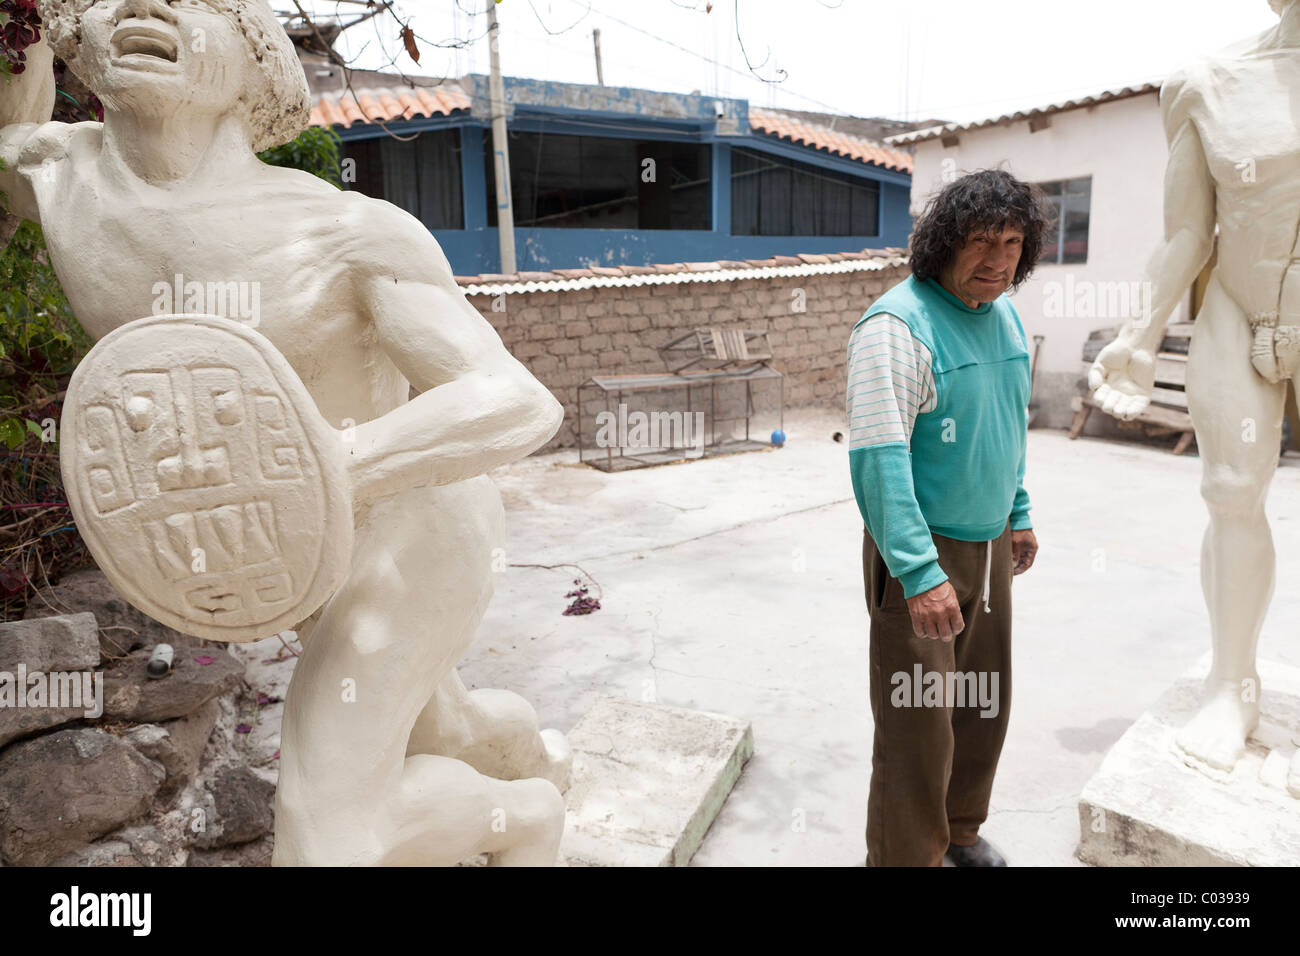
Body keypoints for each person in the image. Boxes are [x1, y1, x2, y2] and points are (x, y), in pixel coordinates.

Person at [1, 0, 569, 864]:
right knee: (429, 719)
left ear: (257, 59)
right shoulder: (55, 176)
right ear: (79, 46)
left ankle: (523, 817)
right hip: (272, 544)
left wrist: (334, 466)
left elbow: (516, 400)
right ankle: (512, 756)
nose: (146, 6)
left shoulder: (345, 231)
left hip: (410, 528)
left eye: (202, 3)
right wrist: (23, 27)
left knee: (326, 836)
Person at [846, 169, 1047, 866]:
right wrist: (917, 571)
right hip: (922, 554)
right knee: (916, 726)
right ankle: (907, 857)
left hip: (990, 546)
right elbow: (879, 461)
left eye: (1013, 243)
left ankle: (961, 833)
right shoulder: (897, 326)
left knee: (983, 705)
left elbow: (1006, 430)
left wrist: (1016, 513)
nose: (998, 262)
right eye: (981, 243)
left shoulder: (1008, 318)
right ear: (942, 244)